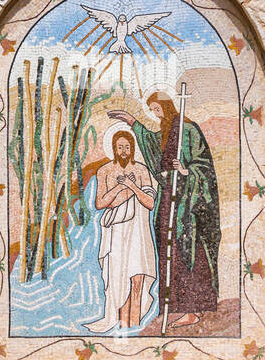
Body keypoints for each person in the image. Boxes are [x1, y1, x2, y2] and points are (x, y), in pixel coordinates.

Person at [109, 91, 220, 328]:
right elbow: (152, 145)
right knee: (169, 249)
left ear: (168, 108)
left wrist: (186, 172)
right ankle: (174, 307)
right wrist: (131, 122)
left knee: (188, 252)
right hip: (168, 199)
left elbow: (204, 167)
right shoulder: (167, 133)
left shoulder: (188, 130)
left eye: (158, 110)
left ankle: (192, 310)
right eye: (153, 111)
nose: (156, 115)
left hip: (187, 206)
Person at [84, 130, 157, 334]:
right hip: (116, 231)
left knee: (137, 277)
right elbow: (100, 203)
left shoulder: (142, 170)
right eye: (120, 147)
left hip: (138, 231)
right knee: (119, 278)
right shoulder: (105, 171)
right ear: (114, 149)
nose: (124, 151)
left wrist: (132, 186)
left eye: (127, 147)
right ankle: (124, 326)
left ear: (132, 148)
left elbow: (150, 203)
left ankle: (135, 325)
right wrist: (119, 188)